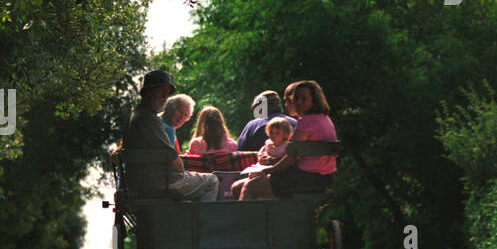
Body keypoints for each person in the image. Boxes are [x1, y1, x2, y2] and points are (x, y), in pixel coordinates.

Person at [122, 71, 218, 201]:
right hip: (157, 183)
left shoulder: (134, 116)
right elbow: (173, 161)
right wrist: (183, 173)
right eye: (161, 91)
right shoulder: (148, 119)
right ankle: (203, 220)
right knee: (212, 180)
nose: (165, 97)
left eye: (167, 93)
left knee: (192, 180)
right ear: (148, 92)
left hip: (139, 182)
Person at [239, 81, 337, 199]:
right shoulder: (326, 119)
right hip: (326, 179)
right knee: (248, 185)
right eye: (296, 98)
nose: (299, 102)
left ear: (315, 100)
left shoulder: (305, 122)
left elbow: (291, 157)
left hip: (303, 180)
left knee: (248, 188)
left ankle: (247, 217)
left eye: (304, 98)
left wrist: (271, 169)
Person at [228, 116, 292, 199]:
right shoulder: (268, 144)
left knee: (248, 187)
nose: (273, 135)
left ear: (285, 134)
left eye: (277, 133)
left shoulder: (287, 147)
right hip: (262, 173)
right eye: (271, 132)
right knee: (236, 187)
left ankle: (244, 210)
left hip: (277, 176)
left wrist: (269, 161)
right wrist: (261, 157)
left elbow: (284, 162)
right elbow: (261, 156)